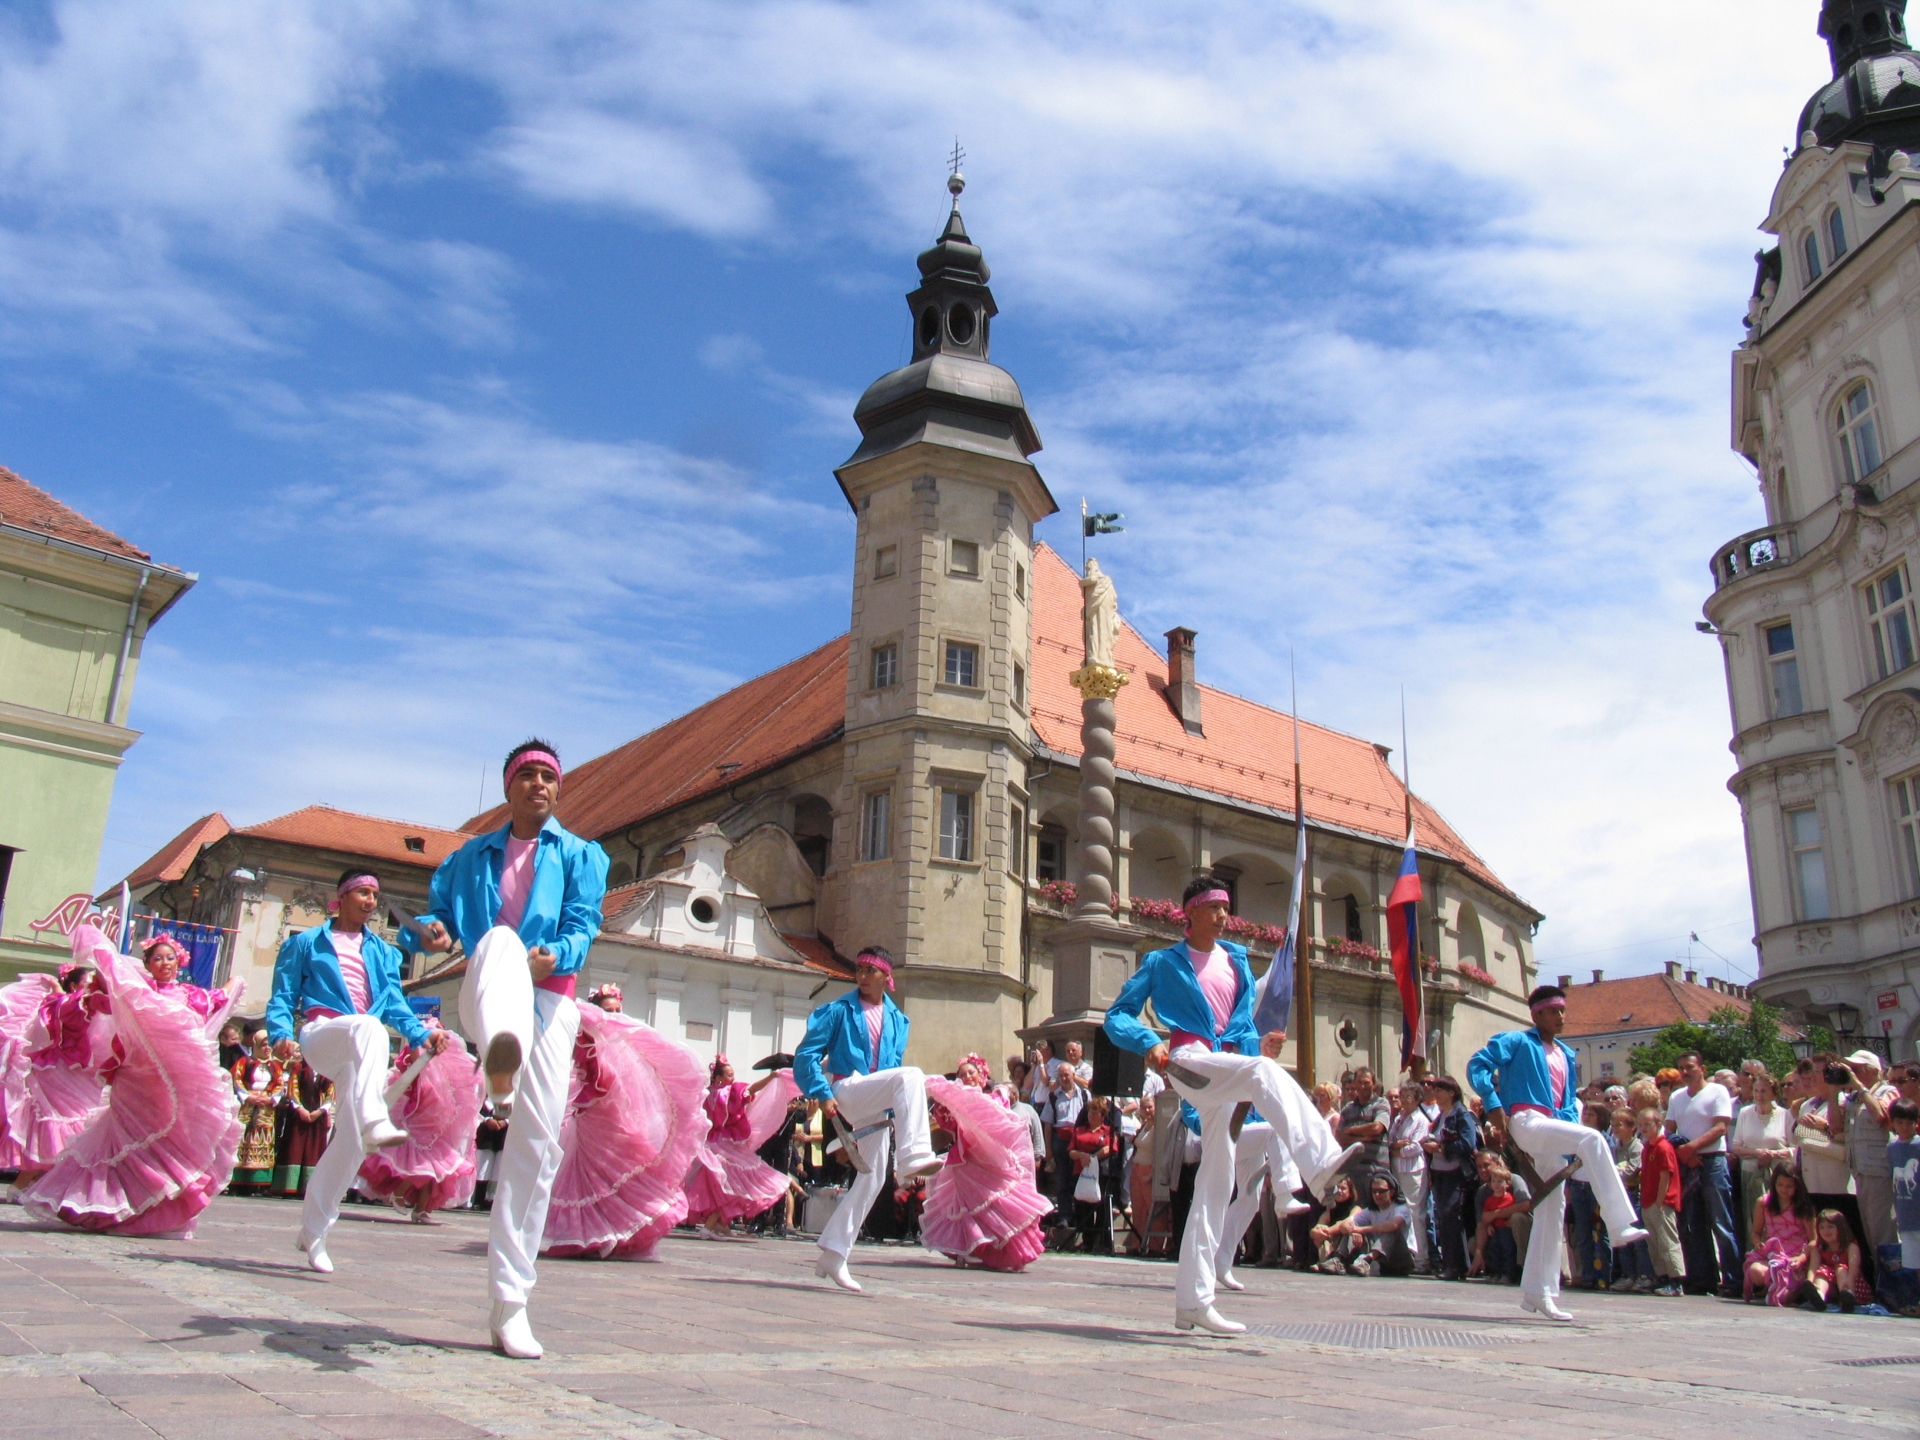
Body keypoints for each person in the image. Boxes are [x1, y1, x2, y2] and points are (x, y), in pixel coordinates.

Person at [406, 740, 606, 1360]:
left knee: (539, 1146)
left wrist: (557, 955)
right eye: (528, 775)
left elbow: (581, 926)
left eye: (549, 776)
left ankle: (510, 1303)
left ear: (559, 788)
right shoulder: (469, 858)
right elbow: (434, 920)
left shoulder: (579, 855)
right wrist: (433, 930)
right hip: (488, 987)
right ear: (508, 786)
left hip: (549, 999)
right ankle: (501, 1059)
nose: (539, 784)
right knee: (495, 940)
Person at [1103, 874, 1354, 1334]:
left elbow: (1240, 1027)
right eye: (1214, 907)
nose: (1223, 916)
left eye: (1226, 908)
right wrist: (1147, 1043)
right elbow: (1116, 1015)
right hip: (1189, 1058)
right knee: (1260, 1075)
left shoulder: (1238, 959)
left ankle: (1193, 1301)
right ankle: (1320, 1163)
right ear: (1191, 912)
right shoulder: (1162, 962)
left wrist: (1258, 1045)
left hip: (1226, 1065)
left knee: (1216, 1183)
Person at [268, 870, 447, 1277]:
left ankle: (314, 1232)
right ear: (343, 896)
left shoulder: (384, 953)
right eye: (364, 893)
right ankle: (374, 1117)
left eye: (375, 896)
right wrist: (280, 1034)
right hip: (322, 1035)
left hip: (360, 1054)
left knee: (349, 1144)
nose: (371, 901)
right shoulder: (306, 943)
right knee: (368, 1026)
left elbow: (396, 1004)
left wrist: (422, 1033)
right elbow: (282, 994)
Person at [23, 926, 243, 1237]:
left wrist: (238, 980)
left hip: (170, 1083)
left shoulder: (192, 995)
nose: (164, 964)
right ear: (149, 964)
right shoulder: (138, 991)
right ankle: (107, 1208)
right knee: (124, 1137)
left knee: (170, 1139)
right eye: (157, 959)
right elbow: (100, 1002)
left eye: (169, 958)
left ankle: (158, 1211)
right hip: (134, 1077)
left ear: (179, 962)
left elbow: (222, 996)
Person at [1466, 985, 1647, 1321]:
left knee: (1553, 1205)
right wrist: (1493, 1106)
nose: (1561, 1017)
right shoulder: (1518, 1041)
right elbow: (1478, 1064)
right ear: (1536, 1014)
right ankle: (1619, 1221)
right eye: (1553, 1011)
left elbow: (1564, 1105)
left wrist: (1567, 1143)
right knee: (1593, 1140)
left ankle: (1540, 1292)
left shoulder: (1566, 1052)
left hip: (1552, 1126)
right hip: (1527, 1120)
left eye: (1563, 1010)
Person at [793, 946, 942, 1292]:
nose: (861, 976)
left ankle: (833, 1253)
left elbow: (889, 1068)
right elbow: (806, 1056)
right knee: (912, 1076)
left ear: (885, 976)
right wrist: (823, 1093)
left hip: (873, 1098)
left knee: (872, 1179)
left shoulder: (897, 1019)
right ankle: (912, 1156)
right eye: (858, 969)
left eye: (869, 971)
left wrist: (893, 1111)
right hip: (847, 1087)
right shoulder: (838, 1010)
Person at [539, 967, 708, 1263]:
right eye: (607, 1010)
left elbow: (624, 1079)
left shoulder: (622, 1040)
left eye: (617, 1010)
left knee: (620, 1168)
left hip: (612, 1112)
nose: (613, 1015)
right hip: (593, 1113)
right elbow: (592, 1077)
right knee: (594, 1173)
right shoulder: (587, 1037)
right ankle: (596, 1237)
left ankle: (615, 1237)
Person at [355, 1020, 483, 1223]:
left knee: (438, 1170)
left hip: (436, 1125)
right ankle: (400, 1191)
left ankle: (421, 1210)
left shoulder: (441, 1075)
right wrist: (421, 1039)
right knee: (428, 1165)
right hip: (419, 1120)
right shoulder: (418, 1067)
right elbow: (417, 1062)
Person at [921, 1073, 1050, 1270]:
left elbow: (1003, 1123)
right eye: (963, 1073)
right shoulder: (957, 1099)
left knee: (995, 1204)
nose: (967, 1076)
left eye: (971, 1072)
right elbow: (948, 1125)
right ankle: (969, 1249)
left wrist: (1003, 1091)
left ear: (982, 1076)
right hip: (965, 1162)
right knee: (964, 1207)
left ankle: (994, 1250)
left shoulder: (992, 1100)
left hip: (988, 1163)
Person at [1216, 1033, 1311, 1292]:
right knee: (1275, 1130)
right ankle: (1284, 1192)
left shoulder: (1258, 1072)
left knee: (1249, 1200)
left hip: (1248, 1136)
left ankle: (1221, 1261)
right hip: (1222, 1134)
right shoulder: (1226, 1059)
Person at [685, 1055, 798, 1236]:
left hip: (711, 1143)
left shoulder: (708, 1093)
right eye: (729, 1075)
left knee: (719, 1184)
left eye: (733, 1074)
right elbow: (752, 1088)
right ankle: (709, 1226)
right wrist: (771, 1077)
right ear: (719, 1077)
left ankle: (720, 1224)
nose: (733, 1078)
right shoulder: (730, 1092)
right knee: (733, 1184)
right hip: (726, 1144)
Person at [1664, 1050, 1740, 1296]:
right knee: (1693, 1223)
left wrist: (1691, 1148)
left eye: (1690, 1067)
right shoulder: (1677, 1097)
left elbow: (1720, 1127)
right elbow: (1669, 1129)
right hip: (1687, 1163)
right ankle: (1702, 1278)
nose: (1686, 1072)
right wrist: (1681, 1150)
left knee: (1721, 1221)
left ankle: (1733, 1279)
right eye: (1682, 1068)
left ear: (1702, 1069)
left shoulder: (1717, 1092)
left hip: (1712, 1160)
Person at [1840, 1050, 1899, 1266]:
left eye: (1856, 1069)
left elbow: (1881, 1116)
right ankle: (1881, 1286)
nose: (1852, 1073)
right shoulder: (1852, 1098)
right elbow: (1836, 1127)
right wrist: (1833, 1091)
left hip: (1879, 1170)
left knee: (1884, 1231)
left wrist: (1860, 1087)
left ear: (1873, 1070)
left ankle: (1895, 1288)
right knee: (1870, 1233)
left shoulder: (1887, 1091)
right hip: (1859, 1170)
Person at [1423, 1075, 1478, 1281]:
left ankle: (1454, 1265)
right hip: (1439, 1172)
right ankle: (1455, 1264)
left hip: (1456, 1172)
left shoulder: (1461, 1115)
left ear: (1451, 1093)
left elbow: (1467, 1143)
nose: (1435, 1093)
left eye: (1439, 1090)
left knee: (1450, 1215)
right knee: (1445, 1218)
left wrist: (1441, 1147)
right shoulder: (1440, 1116)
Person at [1744, 1161, 1816, 1306]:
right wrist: (1758, 1244)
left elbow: (1813, 1240)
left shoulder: (1804, 1207)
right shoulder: (1763, 1203)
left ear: (1797, 1186)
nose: (1784, 1190)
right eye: (1780, 1185)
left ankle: (1792, 1290)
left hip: (1795, 1261)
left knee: (1781, 1300)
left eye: (1789, 1186)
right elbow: (1756, 1233)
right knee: (1755, 1270)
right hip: (1773, 1257)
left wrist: (1802, 1257)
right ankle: (1777, 1286)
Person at [1731, 1071, 1793, 1234]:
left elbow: (1795, 1149)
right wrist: (1757, 1153)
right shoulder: (1745, 1113)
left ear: (1774, 1093)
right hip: (1751, 1174)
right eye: (1756, 1090)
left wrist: (1773, 1154)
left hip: (1778, 1176)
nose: (1759, 1095)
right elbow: (1736, 1147)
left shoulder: (1785, 1115)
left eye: (1764, 1091)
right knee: (1754, 1218)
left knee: (1778, 1217)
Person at [229, 1028, 285, 1195]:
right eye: (264, 1045)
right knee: (243, 1141)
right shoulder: (244, 1062)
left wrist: (271, 1099)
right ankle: (237, 1181)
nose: (267, 1049)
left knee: (262, 1141)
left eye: (269, 1046)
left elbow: (280, 1084)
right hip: (248, 1106)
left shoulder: (275, 1066)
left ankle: (258, 1182)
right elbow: (237, 1080)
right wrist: (247, 1097)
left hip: (265, 1109)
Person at [272, 1049, 333, 1199]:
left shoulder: (329, 1070)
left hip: (317, 1118)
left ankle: (308, 1188)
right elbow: (293, 1090)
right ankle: (289, 1187)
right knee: (294, 1149)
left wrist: (320, 1111)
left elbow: (331, 1094)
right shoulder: (298, 1068)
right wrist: (301, 1109)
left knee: (313, 1152)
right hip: (298, 1116)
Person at [1637, 1108, 1684, 1296]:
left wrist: (1659, 1201)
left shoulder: (1663, 1147)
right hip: (1648, 1201)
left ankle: (1676, 1281)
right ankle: (1662, 1277)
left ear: (1658, 1125)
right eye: (1641, 1125)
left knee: (1668, 1242)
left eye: (1648, 1124)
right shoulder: (1647, 1147)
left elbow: (1666, 1175)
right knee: (1654, 1244)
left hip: (1661, 1203)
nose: (1644, 1128)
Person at [1387, 1084, 1432, 1273]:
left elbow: (1417, 1146)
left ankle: (1422, 1257)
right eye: (1402, 1096)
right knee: (1402, 1211)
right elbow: (1389, 1142)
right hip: (1398, 1168)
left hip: (1413, 1171)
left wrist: (1399, 1149)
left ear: (1417, 1099)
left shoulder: (1420, 1120)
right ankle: (1406, 1254)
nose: (1403, 1101)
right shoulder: (1399, 1119)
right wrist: (1396, 1146)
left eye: (1408, 1097)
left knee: (1416, 1212)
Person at [1047, 1040, 1094, 1212]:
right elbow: (1048, 1123)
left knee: (1079, 1177)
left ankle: (1079, 1214)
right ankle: (1065, 1216)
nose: (1065, 1078)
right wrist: (1048, 1148)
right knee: (1062, 1179)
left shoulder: (1084, 1094)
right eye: (1062, 1076)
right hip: (1060, 1139)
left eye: (1067, 1075)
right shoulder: (1054, 1097)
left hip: (1079, 1139)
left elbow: (1092, 1118)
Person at [1797, 1209, 1869, 1312]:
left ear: (1840, 1228)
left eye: (1830, 1227)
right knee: (1823, 1270)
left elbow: (1854, 1270)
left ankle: (1847, 1298)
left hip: (1852, 1284)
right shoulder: (1818, 1248)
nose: (1826, 1231)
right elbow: (1813, 1268)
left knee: (1840, 1268)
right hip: (1832, 1289)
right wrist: (1809, 1282)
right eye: (1822, 1228)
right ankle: (1818, 1296)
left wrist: (1849, 1285)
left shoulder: (1850, 1246)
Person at [1347, 1171, 1414, 1277]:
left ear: (1391, 1192)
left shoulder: (1401, 1208)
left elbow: (1393, 1225)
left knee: (1392, 1232)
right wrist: (1354, 1231)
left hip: (1400, 1258)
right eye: (1374, 1191)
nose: (1377, 1195)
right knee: (1353, 1227)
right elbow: (1346, 1224)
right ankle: (1339, 1259)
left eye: (1381, 1191)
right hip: (1381, 1258)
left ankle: (1367, 1260)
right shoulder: (1371, 1211)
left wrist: (1361, 1230)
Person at [1468, 1161, 1523, 1282]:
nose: (1496, 1185)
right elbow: (1484, 1218)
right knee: (1494, 1250)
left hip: (1506, 1229)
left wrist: (1508, 1219)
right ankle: (1496, 1273)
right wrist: (1488, 1226)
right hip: (1494, 1230)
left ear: (1507, 1184)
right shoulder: (1488, 1199)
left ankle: (1508, 1274)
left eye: (1500, 1182)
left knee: (1508, 1251)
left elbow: (1515, 1210)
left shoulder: (1510, 1198)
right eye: (1494, 1181)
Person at [1336, 1068, 1390, 1178]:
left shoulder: (1381, 1104)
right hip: (1353, 1171)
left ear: (1374, 1084)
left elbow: (1376, 1128)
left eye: (1366, 1083)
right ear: (1354, 1084)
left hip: (1377, 1170)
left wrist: (1352, 1130)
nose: (1362, 1086)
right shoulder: (1347, 1109)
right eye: (1359, 1082)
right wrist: (1361, 1139)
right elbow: (1339, 1137)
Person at [1888, 1097, 1919, 1271]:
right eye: (1900, 1122)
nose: (1905, 1127)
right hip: (1906, 1215)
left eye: (1909, 1122)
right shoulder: (1892, 1147)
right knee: (1915, 1263)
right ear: (1893, 1123)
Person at [1309, 1174, 1362, 1272]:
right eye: (1337, 1188)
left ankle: (1334, 1262)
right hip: (1333, 1241)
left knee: (1343, 1229)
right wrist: (1315, 1232)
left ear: (1350, 1192)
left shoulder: (1356, 1208)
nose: (1339, 1191)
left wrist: (1327, 1232)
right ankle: (1326, 1261)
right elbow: (1316, 1227)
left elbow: (1344, 1224)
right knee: (1320, 1230)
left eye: (1343, 1188)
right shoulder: (1330, 1211)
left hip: (1349, 1245)